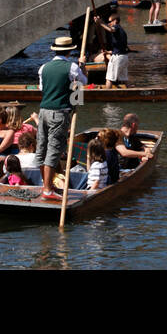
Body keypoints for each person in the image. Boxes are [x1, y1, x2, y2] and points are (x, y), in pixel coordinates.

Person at [35, 35, 89, 200]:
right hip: (59, 113)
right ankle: (47, 189)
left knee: (41, 150)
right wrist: (83, 67)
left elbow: (42, 88)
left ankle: (47, 186)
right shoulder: (72, 67)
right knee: (53, 150)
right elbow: (83, 83)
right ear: (69, 51)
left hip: (43, 111)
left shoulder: (43, 67)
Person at [93, 13, 131, 88]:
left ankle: (107, 95)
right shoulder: (122, 31)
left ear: (115, 21)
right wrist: (108, 52)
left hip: (118, 58)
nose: (109, 23)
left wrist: (100, 22)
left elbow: (110, 29)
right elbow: (120, 48)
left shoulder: (116, 27)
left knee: (109, 78)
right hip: (124, 57)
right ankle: (131, 92)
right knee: (124, 79)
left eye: (110, 21)